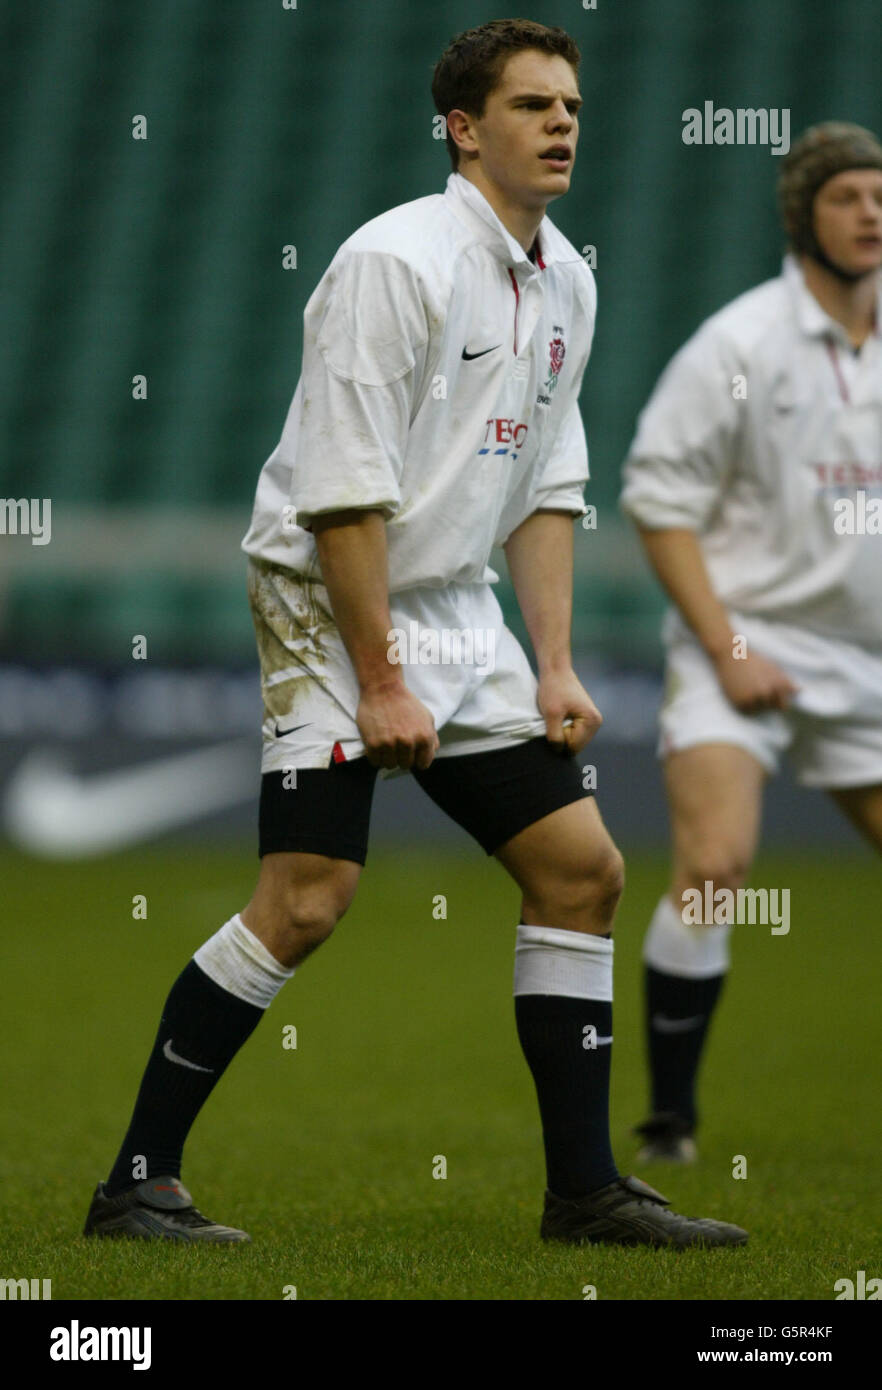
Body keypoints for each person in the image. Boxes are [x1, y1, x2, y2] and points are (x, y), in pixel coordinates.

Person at [84, 18, 746, 1248]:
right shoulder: (395, 262)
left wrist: (551, 662)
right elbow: (340, 493)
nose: (562, 125)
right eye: (534, 105)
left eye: (573, 108)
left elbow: (548, 485)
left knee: (582, 872)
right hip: (333, 594)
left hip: (456, 610)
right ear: (463, 127)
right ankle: (135, 1183)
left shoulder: (569, 279)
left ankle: (587, 1193)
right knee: (309, 896)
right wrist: (382, 681)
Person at [620, 122, 882, 1162]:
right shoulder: (738, 344)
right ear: (802, 214)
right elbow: (655, 497)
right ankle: (669, 1123)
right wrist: (729, 649)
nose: (871, 212)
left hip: (865, 661)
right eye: (847, 195)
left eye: (880, 194)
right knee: (718, 862)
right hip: (744, 646)